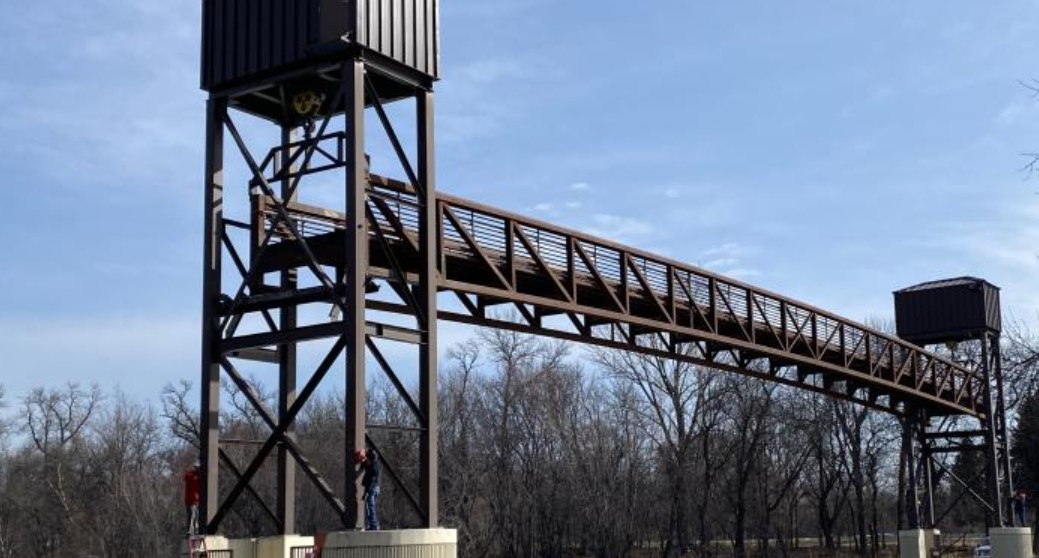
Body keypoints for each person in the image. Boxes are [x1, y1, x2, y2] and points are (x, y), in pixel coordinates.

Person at [357, 449, 381, 530]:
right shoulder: (373, 464)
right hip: (375, 487)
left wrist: (365, 493)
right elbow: (365, 463)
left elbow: (371, 482)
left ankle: (374, 525)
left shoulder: (373, 468)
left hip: (372, 488)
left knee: (370, 507)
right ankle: (372, 525)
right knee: (370, 507)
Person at [184, 461, 201, 536]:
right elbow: (190, 478)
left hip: (195, 500)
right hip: (192, 500)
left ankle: (194, 530)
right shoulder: (191, 476)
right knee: (192, 515)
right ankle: (191, 531)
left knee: (195, 516)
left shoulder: (193, 476)